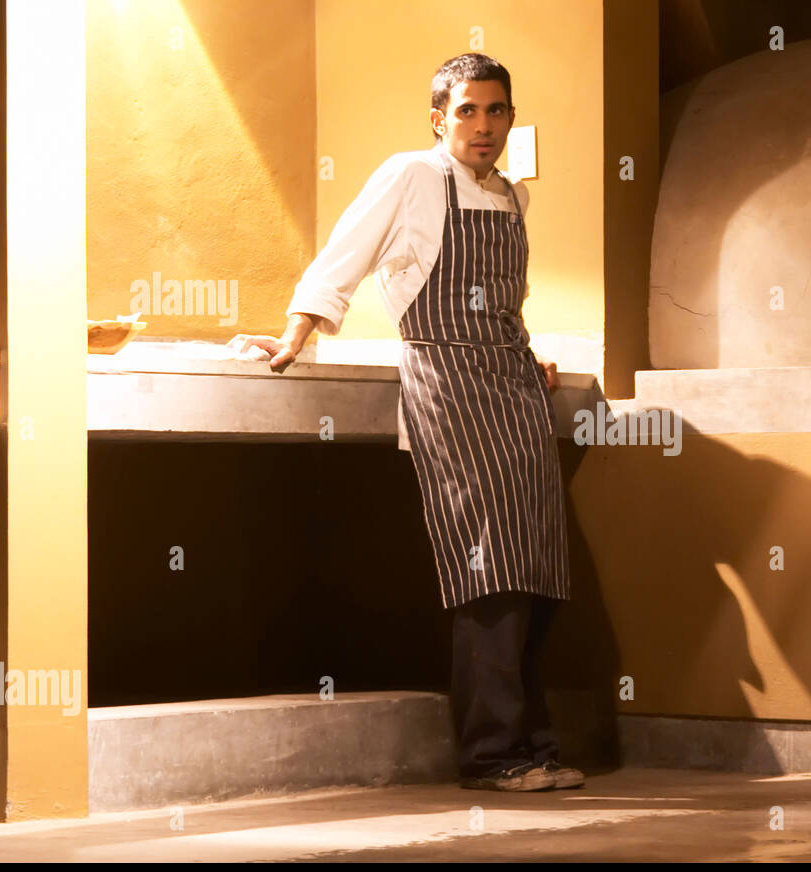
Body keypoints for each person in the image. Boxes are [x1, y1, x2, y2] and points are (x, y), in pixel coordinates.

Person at [238, 53, 580, 793]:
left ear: (510, 119)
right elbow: (343, 258)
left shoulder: (514, 198)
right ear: (438, 118)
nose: (482, 126)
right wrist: (295, 336)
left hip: (513, 385)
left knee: (540, 565)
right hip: (450, 387)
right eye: (466, 111)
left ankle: (535, 744)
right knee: (487, 565)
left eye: (496, 111)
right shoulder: (411, 176)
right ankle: (493, 756)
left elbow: (502, 304)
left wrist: (529, 352)